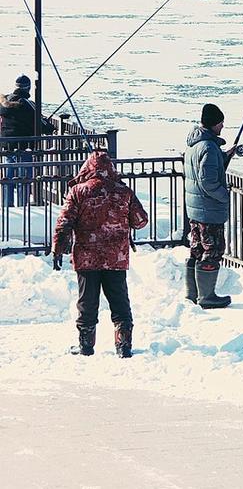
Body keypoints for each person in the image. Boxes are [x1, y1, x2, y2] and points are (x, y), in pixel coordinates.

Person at [52, 150, 148, 358]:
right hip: (116, 257)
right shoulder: (123, 191)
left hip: (87, 257)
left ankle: (86, 345)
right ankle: (123, 345)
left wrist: (57, 249)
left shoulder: (78, 191)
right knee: (120, 300)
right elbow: (141, 221)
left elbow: (64, 223)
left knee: (87, 301)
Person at [184, 103, 236, 309]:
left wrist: (224, 156)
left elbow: (201, 170)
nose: (223, 126)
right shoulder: (209, 147)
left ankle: (193, 293)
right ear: (214, 124)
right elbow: (207, 180)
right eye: (221, 123)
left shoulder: (194, 145)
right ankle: (207, 297)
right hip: (208, 210)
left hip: (195, 208)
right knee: (212, 249)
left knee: (197, 248)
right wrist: (224, 195)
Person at [0, 74, 53, 207]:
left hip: (7, 146)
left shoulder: (4, 101)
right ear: (28, 88)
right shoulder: (27, 104)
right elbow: (42, 124)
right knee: (24, 179)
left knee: (9, 177)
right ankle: (23, 207)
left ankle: (7, 206)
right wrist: (49, 126)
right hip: (25, 147)